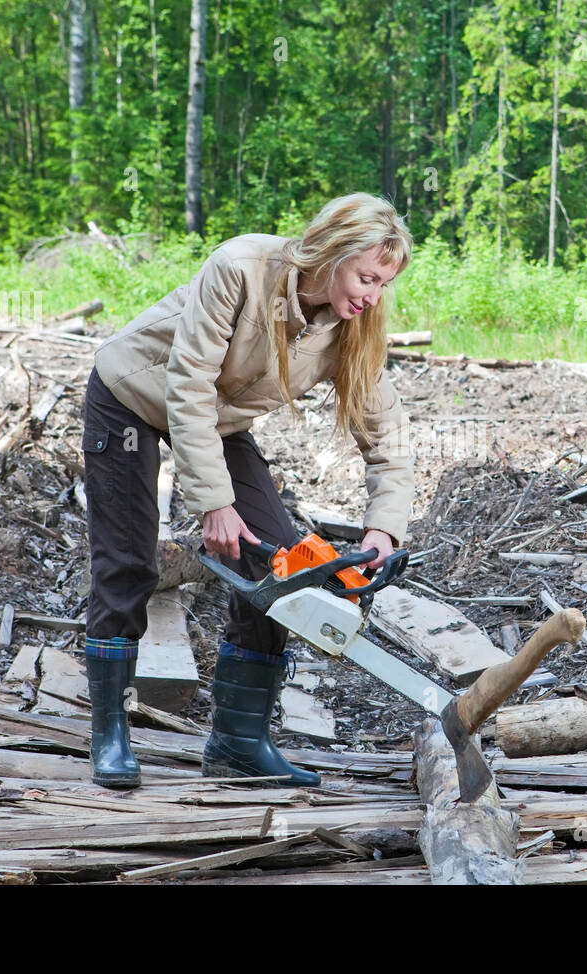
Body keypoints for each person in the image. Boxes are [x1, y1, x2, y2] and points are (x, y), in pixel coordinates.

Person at [79, 192, 415, 789]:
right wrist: (214, 502)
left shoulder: (351, 326)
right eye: (366, 277)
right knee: (128, 561)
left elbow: (385, 430)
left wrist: (384, 526)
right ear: (332, 252)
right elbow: (188, 382)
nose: (371, 295)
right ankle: (110, 736)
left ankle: (238, 742)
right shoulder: (241, 267)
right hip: (132, 397)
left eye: (382, 284)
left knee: (285, 571)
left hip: (219, 422)